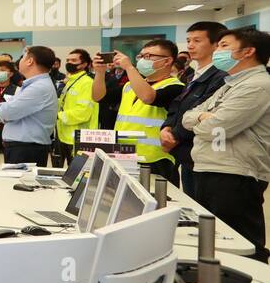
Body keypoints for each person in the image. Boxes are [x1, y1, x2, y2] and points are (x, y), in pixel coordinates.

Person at [182, 28, 270, 262]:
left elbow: (218, 128)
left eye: (223, 46)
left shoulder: (258, 85)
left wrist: (202, 119)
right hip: (210, 167)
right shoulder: (230, 83)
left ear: (248, 51)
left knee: (242, 243)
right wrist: (202, 117)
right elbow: (188, 115)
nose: (217, 51)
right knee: (215, 241)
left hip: (234, 173)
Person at [94, 38, 183, 185]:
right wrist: (100, 73)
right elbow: (99, 96)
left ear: (167, 61)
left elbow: (148, 97)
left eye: (149, 56)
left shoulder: (176, 87)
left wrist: (129, 68)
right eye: (141, 56)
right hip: (124, 156)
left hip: (156, 159)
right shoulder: (130, 86)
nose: (143, 60)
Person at [162, 23, 228, 196]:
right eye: (188, 40)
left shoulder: (222, 77)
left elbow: (205, 113)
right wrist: (167, 127)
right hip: (188, 155)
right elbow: (178, 105)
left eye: (197, 40)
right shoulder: (193, 76)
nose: (190, 45)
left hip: (207, 156)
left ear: (217, 44)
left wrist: (175, 135)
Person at [0, 46, 58, 166]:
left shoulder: (38, 87)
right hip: (23, 148)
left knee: (19, 183)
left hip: (26, 149)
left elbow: (6, 112)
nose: (20, 61)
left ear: (30, 61)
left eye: (23, 57)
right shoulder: (33, 84)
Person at [53, 48, 98, 164]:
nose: (69, 63)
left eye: (73, 60)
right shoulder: (71, 81)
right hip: (65, 136)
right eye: (67, 60)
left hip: (80, 138)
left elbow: (83, 112)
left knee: (78, 176)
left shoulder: (87, 83)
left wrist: (57, 116)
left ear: (84, 64)